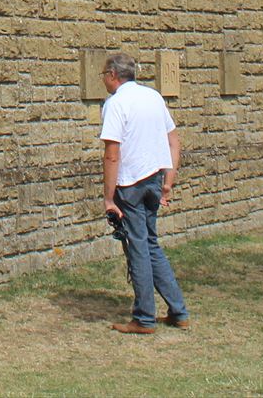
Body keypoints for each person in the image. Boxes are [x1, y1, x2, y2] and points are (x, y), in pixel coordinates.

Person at [99, 52, 189, 334]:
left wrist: (109, 197)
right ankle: (179, 312)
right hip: (154, 178)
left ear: (113, 75)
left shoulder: (116, 104)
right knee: (150, 244)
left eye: (104, 74)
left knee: (138, 248)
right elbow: (174, 141)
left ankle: (144, 318)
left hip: (131, 183)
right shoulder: (153, 97)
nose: (103, 79)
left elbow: (112, 154)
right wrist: (169, 179)